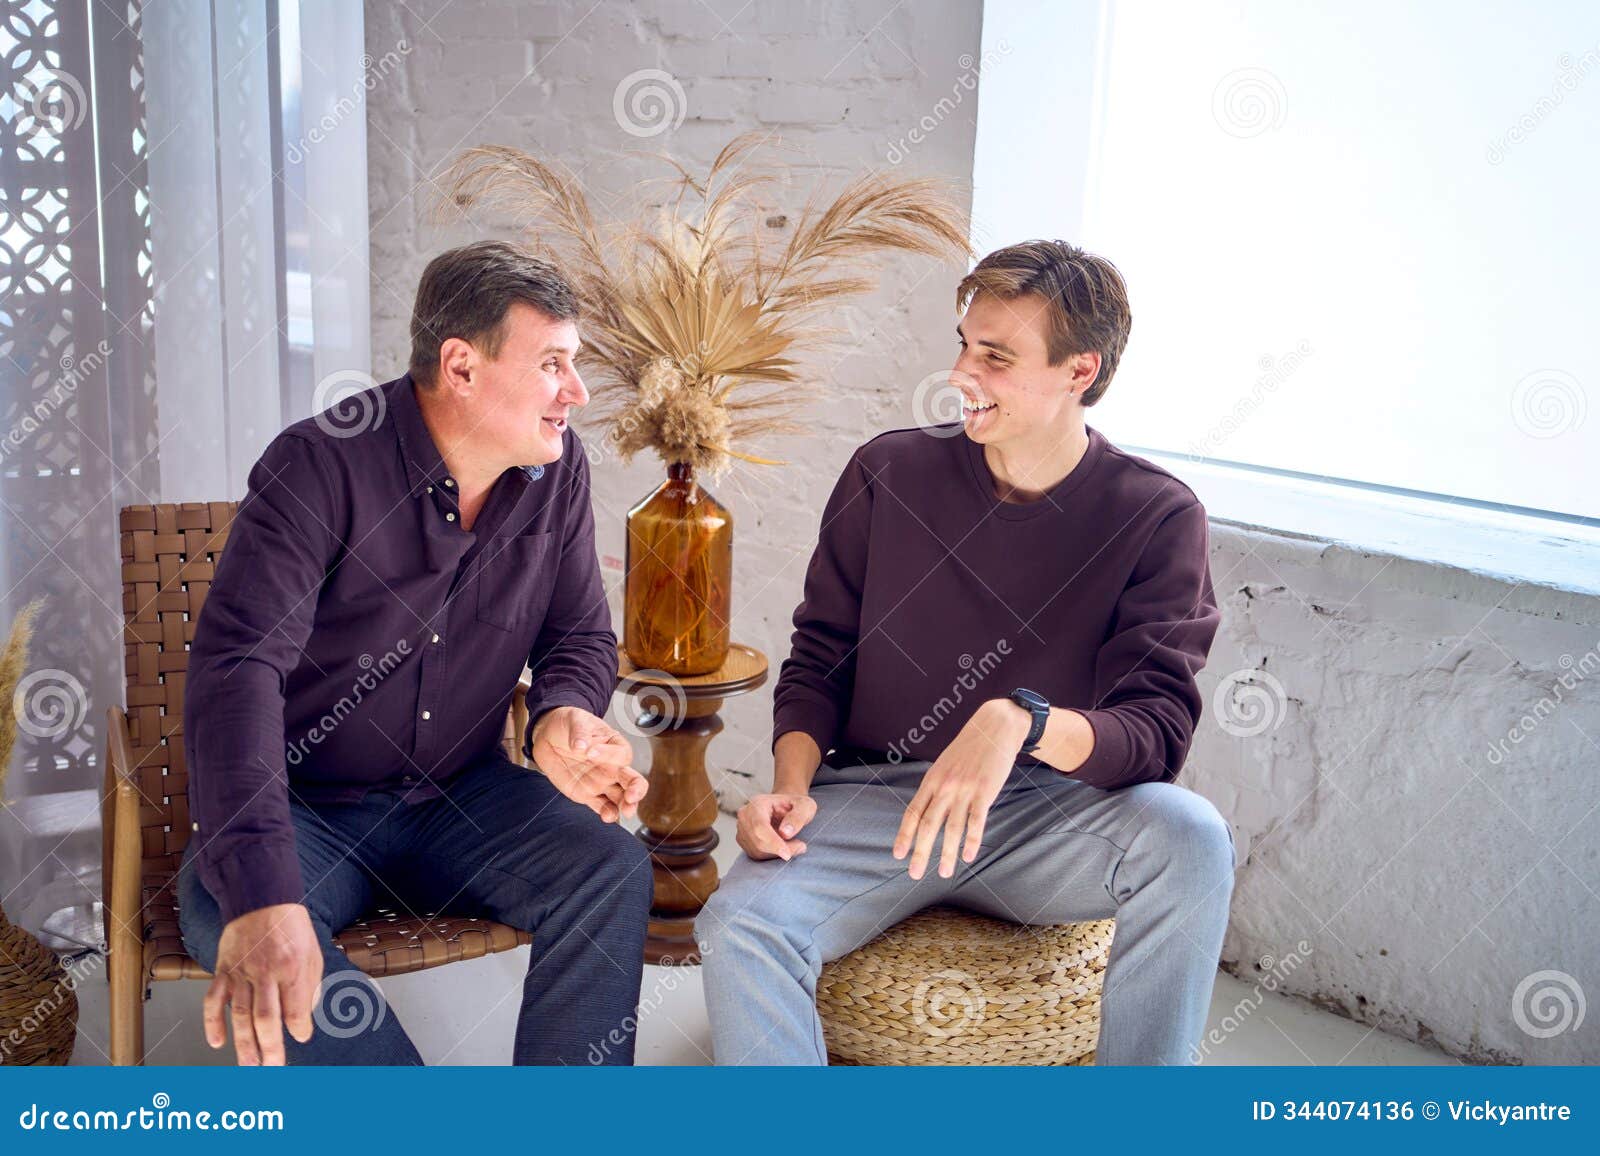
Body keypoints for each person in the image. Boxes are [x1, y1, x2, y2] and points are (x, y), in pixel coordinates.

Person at [697, 239, 1236, 1065]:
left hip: (1044, 817)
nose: (961, 374)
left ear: (1078, 371)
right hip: (877, 803)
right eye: (963, 345)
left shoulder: (1157, 515)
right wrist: (791, 787)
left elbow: (1155, 732)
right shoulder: (890, 472)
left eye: (996, 356)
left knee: (1191, 837)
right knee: (738, 925)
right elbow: (821, 657)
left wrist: (1020, 723)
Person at [177, 240, 652, 1065]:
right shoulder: (319, 467)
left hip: (464, 801)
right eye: (552, 364)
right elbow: (237, 675)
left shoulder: (556, 467)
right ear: (461, 367)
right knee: (237, 912)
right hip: (308, 808)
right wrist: (263, 893)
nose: (575, 392)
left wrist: (562, 717)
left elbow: (576, 634)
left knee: (611, 869)